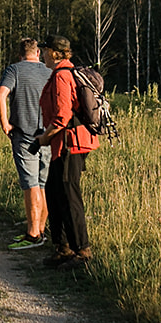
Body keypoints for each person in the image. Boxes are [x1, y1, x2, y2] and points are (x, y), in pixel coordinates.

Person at [35, 34, 97, 270]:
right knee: (54, 192)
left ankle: (82, 251)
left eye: (45, 50)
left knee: (69, 195)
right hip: (65, 143)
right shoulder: (63, 73)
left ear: (53, 52)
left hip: (71, 143)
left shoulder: (62, 76)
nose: (42, 54)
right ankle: (63, 248)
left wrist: (43, 139)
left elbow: (62, 117)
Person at [0, 38, 51, 250]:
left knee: (30, 185)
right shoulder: (49, 71)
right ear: (38, 53)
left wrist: (5, 124)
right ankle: (41, 229)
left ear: (20, 55)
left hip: (24, 134)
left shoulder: (14, 70)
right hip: (47, 134)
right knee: (43, 184)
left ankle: (32, 233)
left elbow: (0, 96)